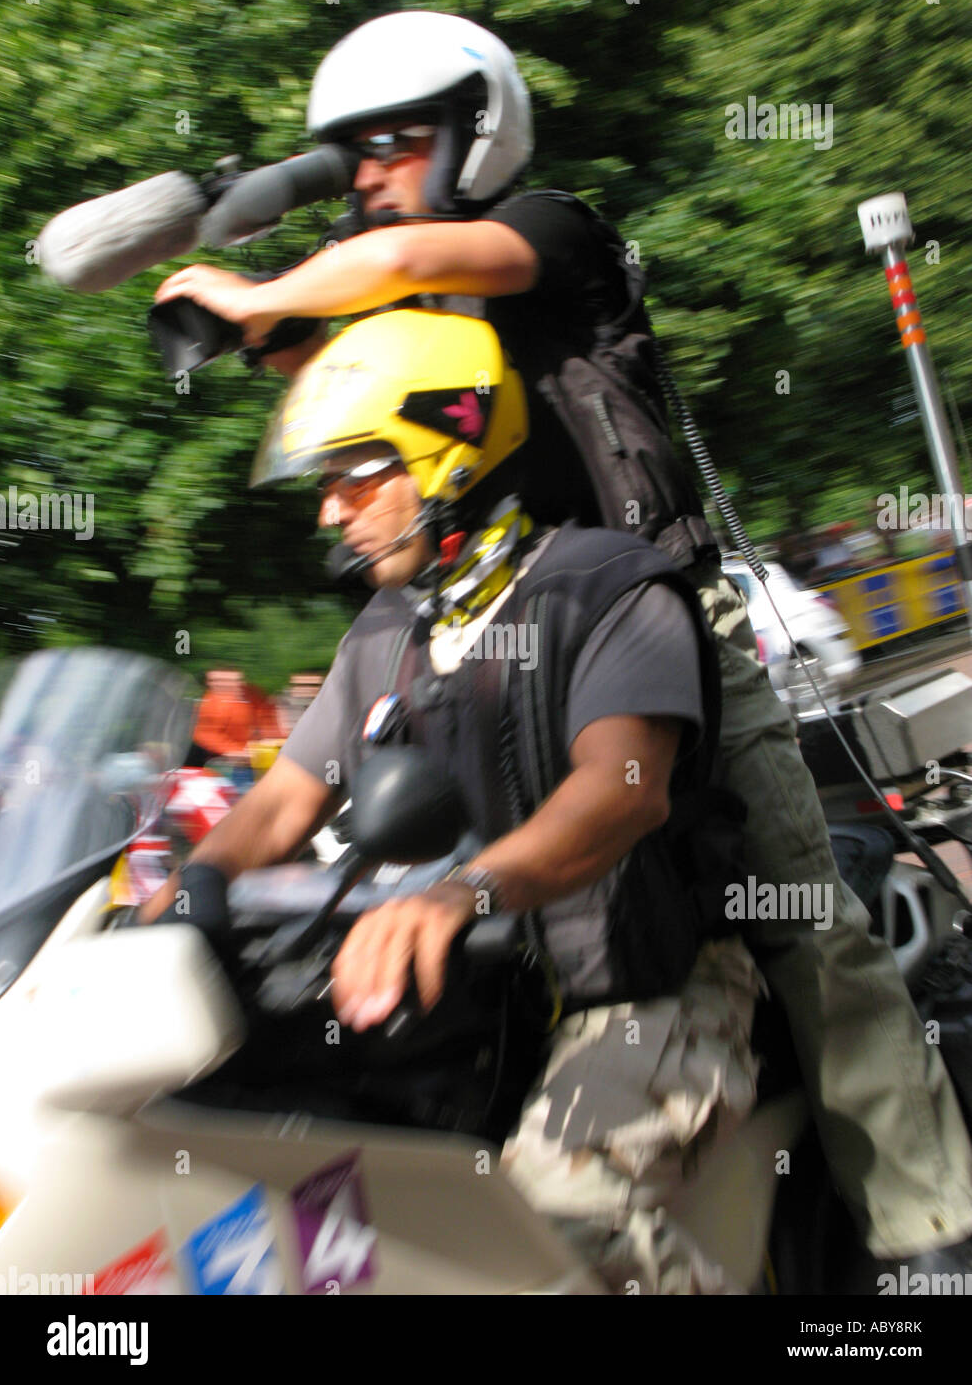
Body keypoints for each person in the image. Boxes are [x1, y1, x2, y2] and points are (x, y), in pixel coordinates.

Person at [155, 10, 972, 1264]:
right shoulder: (400, 308)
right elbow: (333, 388)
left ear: (477, 136)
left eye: (393, 143)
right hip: (481, 640)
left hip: (659, 628)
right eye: (347, 153)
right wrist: (239, 313)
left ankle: (932, 1228)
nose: (369, 173)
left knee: (802, 917)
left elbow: (383, 270)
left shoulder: (546, 232)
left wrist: (261, 285)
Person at [143, 309, 762, 1292]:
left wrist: (457, 893)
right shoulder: (388, 632)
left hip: (650, 989)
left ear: (444, 457)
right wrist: (188, 889)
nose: (328, 511)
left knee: (554, 1227)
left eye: (353, 475)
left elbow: (622, 794)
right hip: (493, 999)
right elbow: (280, 806)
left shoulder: (606, 589)